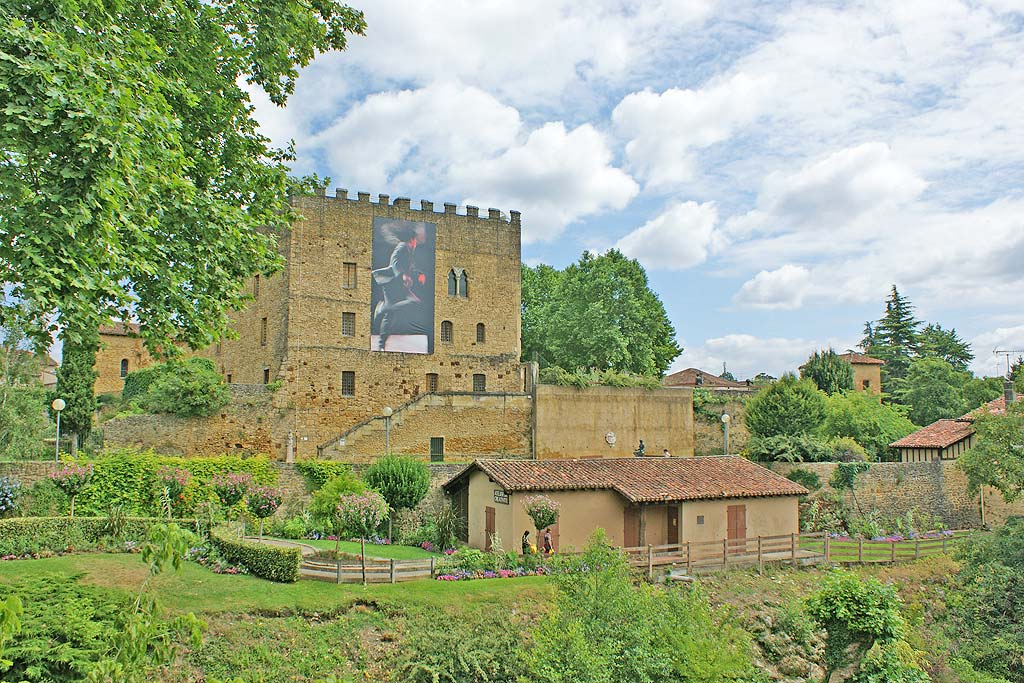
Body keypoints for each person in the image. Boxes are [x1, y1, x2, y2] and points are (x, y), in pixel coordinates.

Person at [372, 223, 427, 350]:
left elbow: (410, 267)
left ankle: (383, 308)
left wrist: (418, 274)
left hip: (400, 285)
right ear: (412, 240)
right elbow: (395, 261)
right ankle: (382, 308)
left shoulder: (408, 251)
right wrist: (402, 275)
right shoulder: (402, 247)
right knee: (397, 310)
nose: (416, 244)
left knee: (392, 313)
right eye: (415, 241)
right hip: (391, 283)